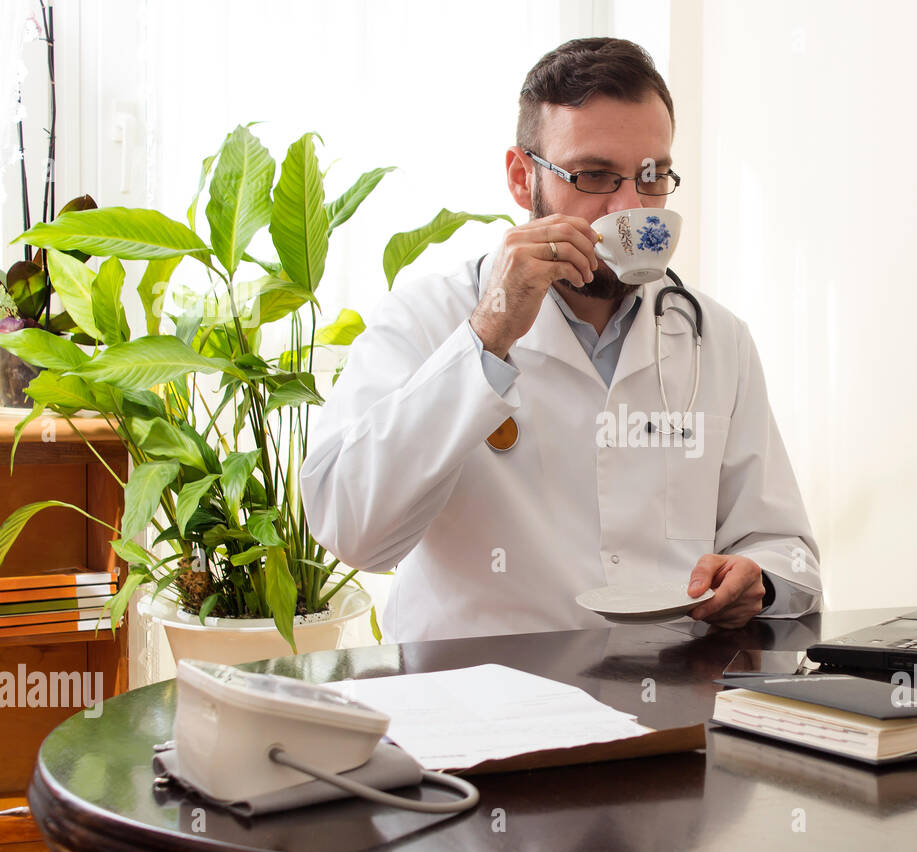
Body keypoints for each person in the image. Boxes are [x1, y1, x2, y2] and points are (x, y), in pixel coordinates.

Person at [301, 37, 822, 641]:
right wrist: (489, 335)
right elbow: (350, 530)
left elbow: (786, 547)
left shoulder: (716, 338)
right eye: (595, 175)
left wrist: (758, 577)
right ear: (523, 180)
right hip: (479, 707)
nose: (631, 207)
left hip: (666, 700)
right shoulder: (428, 318)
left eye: (652, 178)